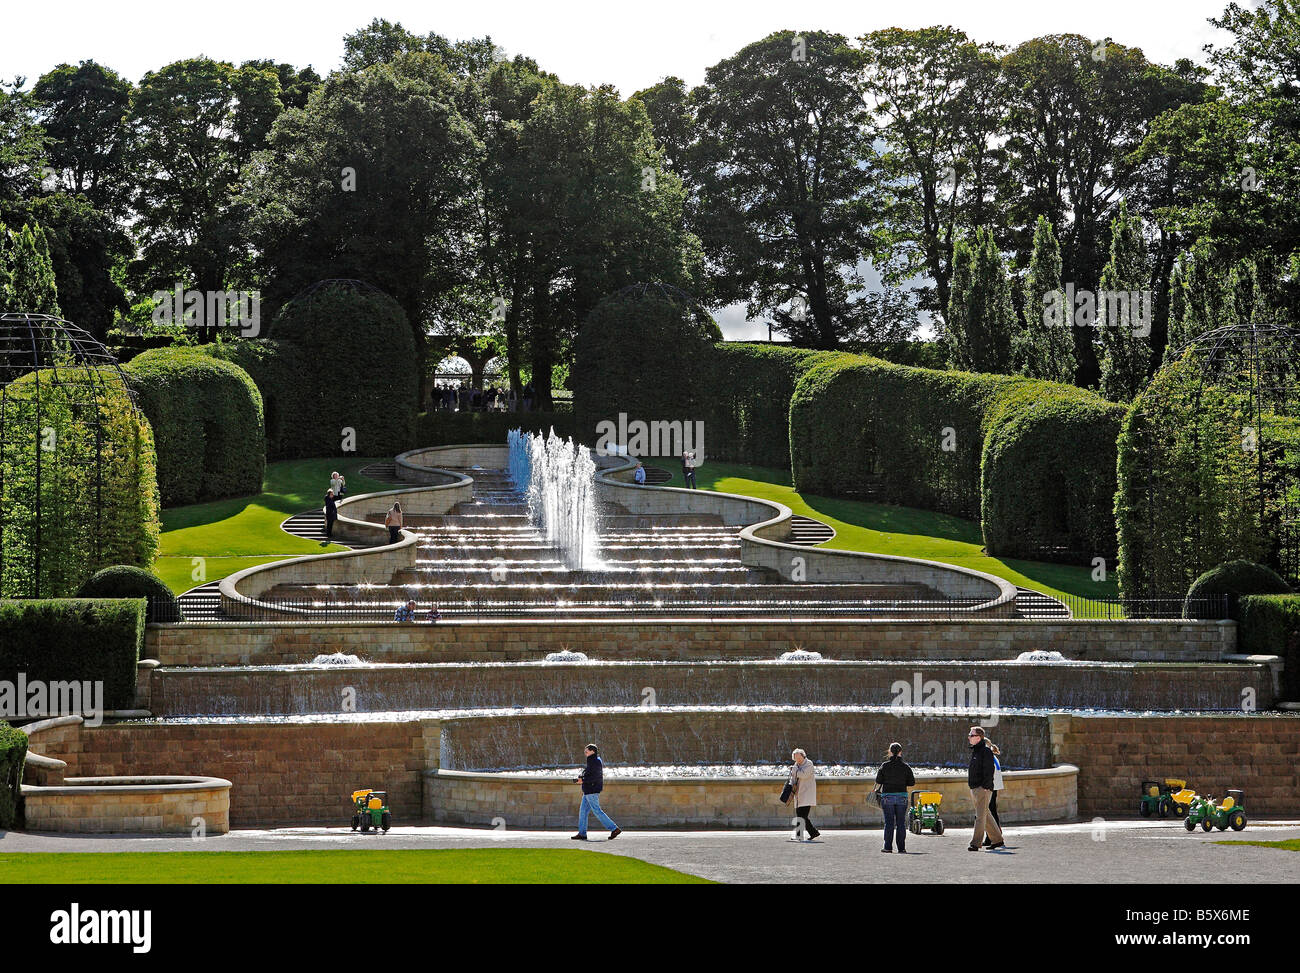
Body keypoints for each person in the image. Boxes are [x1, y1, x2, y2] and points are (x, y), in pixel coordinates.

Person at [571, 744, 621, 840]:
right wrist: (581, 778)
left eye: (587, 751)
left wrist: (583, 780)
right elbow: (590, 774)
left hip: (592, 790)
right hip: (588, 790)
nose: (585, 753)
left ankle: (614, 828)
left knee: (597, 811)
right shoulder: (592, 761)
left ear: (592, 751)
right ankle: (582, 833)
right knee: (583, 812)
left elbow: (595, 777)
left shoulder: (595, 761)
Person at [967, 726, 1004, 851]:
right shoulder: (976, 751)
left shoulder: (985, 752)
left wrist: (985, 787)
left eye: (971, 735)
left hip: (982, 789)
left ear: (978, 737)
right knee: (985, 814)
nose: (969, 737)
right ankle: (997, 839)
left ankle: (976, 843)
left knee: (980, 817)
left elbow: (989, 771)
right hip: (975, 788)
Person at [876, 742, 916, 853]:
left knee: (889, 822)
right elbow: (912, 782)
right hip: (901, 797)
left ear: (889, 752)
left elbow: (878, 780)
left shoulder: (885, 765)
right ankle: (901, 848)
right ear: (900, 752)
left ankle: (888, 847)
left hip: (887, 796)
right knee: (901, 823)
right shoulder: (905, 766)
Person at [788, 748, 820, 841]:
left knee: (802, 816)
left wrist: (794, 770)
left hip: (807, 794)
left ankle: (804, 834)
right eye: (795, 758)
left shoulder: (809, 764)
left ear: (803, 756)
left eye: (798, 757)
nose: (797, 760)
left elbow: (804, 775)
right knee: (801, 815)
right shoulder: (796, 765)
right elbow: (793, 777)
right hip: (798, 794)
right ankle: (812, 833)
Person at [984, 742, 1005, 847]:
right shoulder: (993, 758)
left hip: (990, 788)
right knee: (992, 811)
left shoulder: (989, 758)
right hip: (994, 787)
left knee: (990, 812)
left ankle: (992, 837)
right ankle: (992, 836)